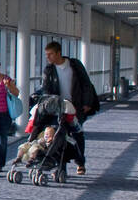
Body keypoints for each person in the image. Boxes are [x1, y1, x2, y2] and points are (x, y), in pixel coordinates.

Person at [40, 41, 99, 174]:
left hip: (76, 107)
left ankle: (80, 162)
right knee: (59, 136)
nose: (47, 57)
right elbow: (46, 89)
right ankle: (61, 167)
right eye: (46, 55)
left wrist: (87, 103)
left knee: (77, 134)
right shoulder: (49, 70)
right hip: (58, 108)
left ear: (58, 53)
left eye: (50, 54)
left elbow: (86, 84)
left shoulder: (75, 65)